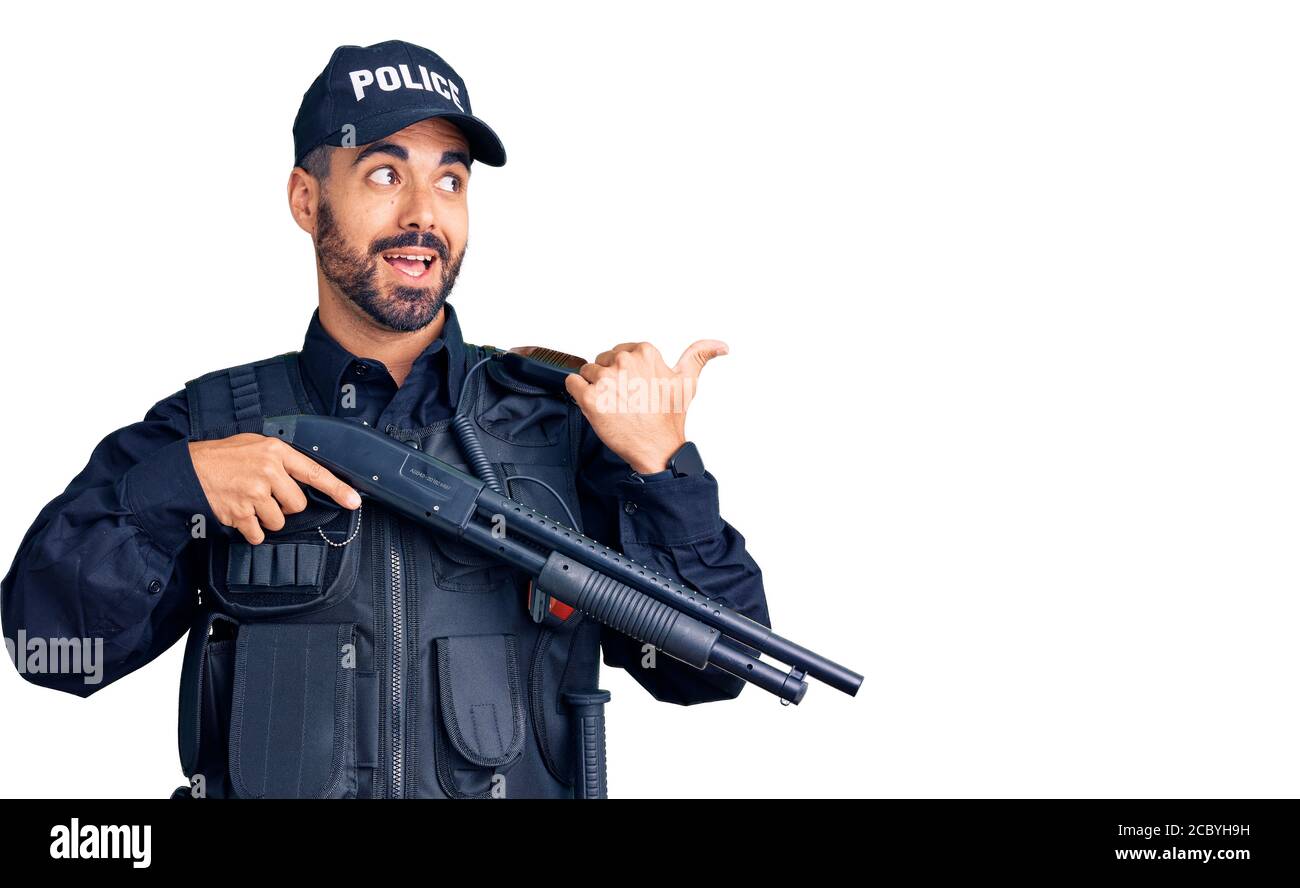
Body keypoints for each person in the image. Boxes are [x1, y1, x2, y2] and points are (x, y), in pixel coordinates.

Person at [0, 39, 769, 799]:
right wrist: (178, 489)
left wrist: (661, 469)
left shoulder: (564, 421)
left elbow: (719, 670)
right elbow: (55, 652)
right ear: (307, 199)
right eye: (384, 173)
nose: (422, 215)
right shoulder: (214, 423)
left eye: (450, 181)